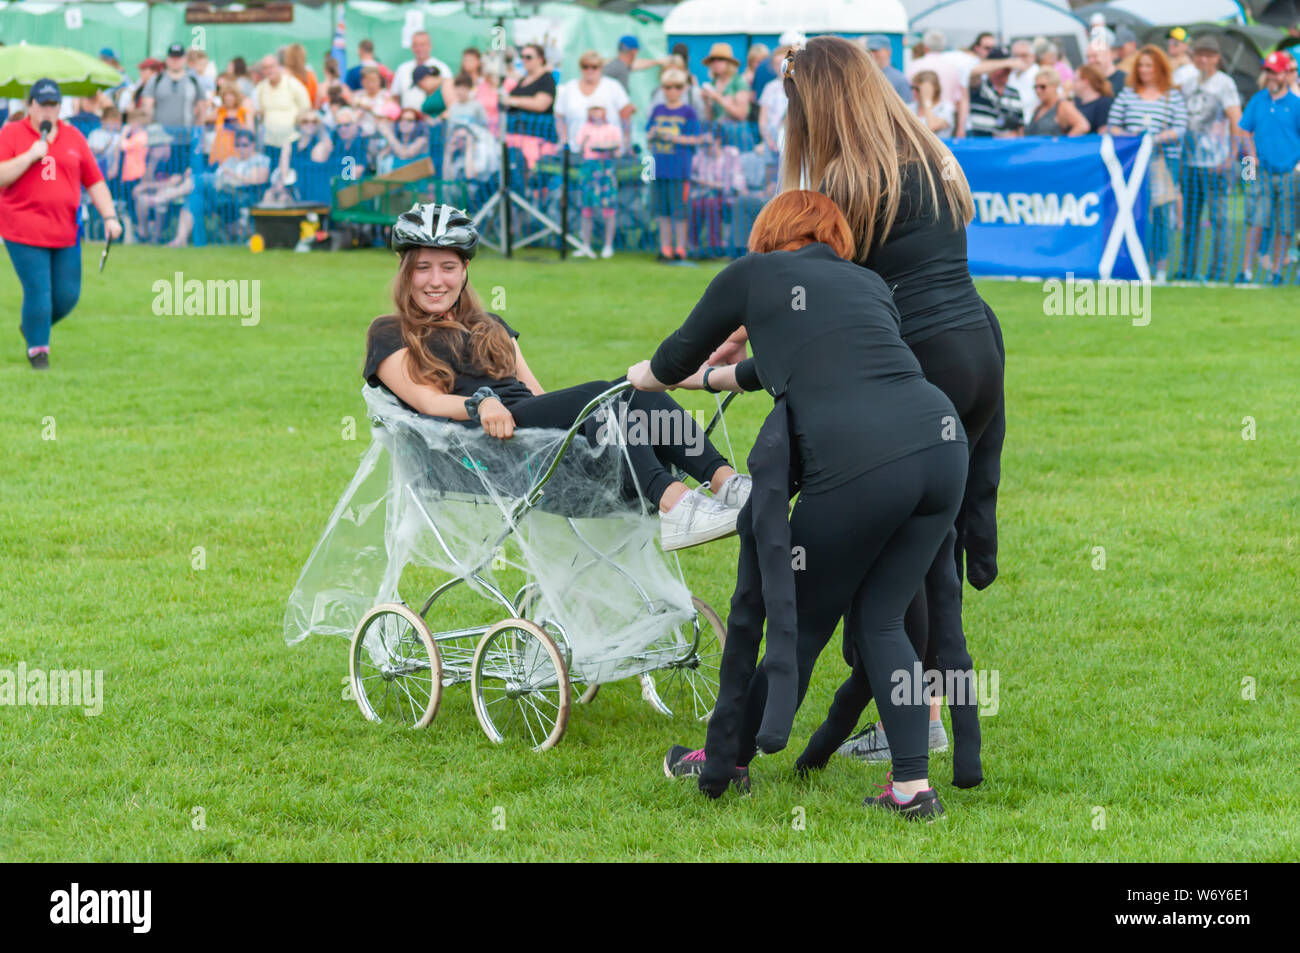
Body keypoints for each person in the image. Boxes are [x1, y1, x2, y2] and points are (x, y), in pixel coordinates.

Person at [711, 37, 1005, 784]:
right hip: (976, 352)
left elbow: (818, 305)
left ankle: (911, 726)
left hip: (915, 364)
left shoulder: (850, 179)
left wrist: (732, 363)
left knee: (884, 565)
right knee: (928, 558)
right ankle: (934, 719)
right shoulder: (934, 157)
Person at [636, 190, 967, 819]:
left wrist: (647, 378)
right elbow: (789, 364)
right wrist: (706, 379)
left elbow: (676, 352)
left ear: (770, 231)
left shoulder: (752, 274)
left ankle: (726, 757)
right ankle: (912, 789)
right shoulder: (867, 283)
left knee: (800, 628)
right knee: (883, 619)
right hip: (940, 448)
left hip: (861, 462)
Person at [365, 204, 751, 553]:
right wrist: (481, 402)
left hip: (527, 423)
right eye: (423, 268)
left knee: (636, 392)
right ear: (405, 271)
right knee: (605, 397)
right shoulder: (389, 332)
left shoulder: (491, 325)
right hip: (483, 439)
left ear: (464, 271)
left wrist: (579, 423)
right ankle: (676, 503)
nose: (436, 280)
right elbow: (427, 402)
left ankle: (727, 483)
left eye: (447, 268)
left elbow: (534, 391)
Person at [0, 79, 123, 369]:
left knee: (67, 296)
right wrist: (30, 155)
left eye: (53, 104)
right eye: (42, 104)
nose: (47, 110)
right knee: (39, 291)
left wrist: (110, 217)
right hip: (22, 228)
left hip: (65, 230)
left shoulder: (74, 137)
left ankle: (33, 325)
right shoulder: (11, 134)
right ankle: (39, 352)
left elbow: (94, 180)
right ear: (29, 105)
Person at [1108, 46, 1188, 281]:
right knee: (1135, 212)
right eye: (1141, 65)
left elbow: (1180, 128)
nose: (1144, 70)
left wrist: (1152, 140)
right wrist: (1132, 138)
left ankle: (1161, 266)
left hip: (1162, 162)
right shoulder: (1127, 94)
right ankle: (1137, 262)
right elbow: (1112, 124)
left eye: (1149, 66)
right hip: (1133, 164)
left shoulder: (1171, 96)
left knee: (1162, 212)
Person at [1173, 35, 1242, 282]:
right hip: (1191, 161)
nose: (1203, 59)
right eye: (1199, 54)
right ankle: (1188, 269)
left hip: (1216, 161)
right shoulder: (1188, 82)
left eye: (1208, 55)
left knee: (1219, 219)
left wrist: (1232, 157)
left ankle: (1218, 272)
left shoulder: (1225, 84)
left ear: (1216, 58)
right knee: (1190, 220)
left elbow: (1236, 120)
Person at [1238, 51, 1300, 285]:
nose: (1271, 76)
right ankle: (1246, 271)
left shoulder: (1295, 104)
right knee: (1256, 221)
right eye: (1268, 72)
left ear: (1286, 74)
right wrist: (1250, 161)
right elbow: (1245, 131)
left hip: (1288, 174)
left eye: (1275, 72)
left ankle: (1276, 271)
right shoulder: (1258, 100)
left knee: (1285, 225)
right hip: (1261, 172)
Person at [646, 69, 702, 261]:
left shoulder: (688, 111)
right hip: (659, 167)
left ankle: (680, 248)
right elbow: (648, 135)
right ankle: (665, 248)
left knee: (679, 211)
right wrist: (652, 134)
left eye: (677, 87)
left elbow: (696, 138)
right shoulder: (657, 110)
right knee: (662, 211)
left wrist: (676, 138)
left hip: (679, 169)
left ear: (683, 89)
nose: (672, 91)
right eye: (668, 87)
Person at [555, 51, 632, 152]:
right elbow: (559, 116)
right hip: (576, 150)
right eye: (585, 66)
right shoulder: (568, 88)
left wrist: (626, 141)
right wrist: (563, 141)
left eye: (594, 67)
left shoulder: (613, 86)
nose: (589, 70)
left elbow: (626, 113)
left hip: (610, 151)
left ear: (600, 68)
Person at [574, 105, 623, 258]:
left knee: (608, 207)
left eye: (599, 109)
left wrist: (608, 148)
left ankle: (608, 245)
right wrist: (586, 143)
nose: (596, 113)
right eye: (593, 110)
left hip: (606, 168)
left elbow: (618, 149)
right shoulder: (584, 128)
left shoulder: (612, 129)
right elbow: (579, 149)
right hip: (589, 168)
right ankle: (586, 244)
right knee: (586, 206)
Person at [503, 43, 557, 165]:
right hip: (516, 137)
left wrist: (513, 101)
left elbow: (541, 104)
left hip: (536, 137)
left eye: (528, 57)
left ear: (540, 59)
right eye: (522, 56)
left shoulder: (547, 79)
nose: (524, 60)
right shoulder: (522, 80)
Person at [254, 55, 311, 163]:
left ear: (278, 66)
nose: (269, 71)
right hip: (269, 143)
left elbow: (306, 107)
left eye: (271, 67)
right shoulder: (260, 88)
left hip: (292, 141)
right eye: (265, 68)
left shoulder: (292, 84)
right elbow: (258, 111)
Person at [142, 43, 206, 129]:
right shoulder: (156, 80)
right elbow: (147, 108)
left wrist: (198, 132)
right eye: (172, 57)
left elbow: (202, 110)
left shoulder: (194, 81)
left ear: (185, 59)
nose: (175, 61)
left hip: (186, 135)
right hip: (160, 135)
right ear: (167, 59)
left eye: (178, 58)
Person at [966, 49, 1026, 138]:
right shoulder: (980, 87)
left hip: (1006, 148)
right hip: (980, 145)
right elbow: (974, 72)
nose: (1007, 72)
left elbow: (1020, 126)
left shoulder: (1014, 93)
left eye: (1009, 69)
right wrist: (1006, 63)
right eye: (1004, 69)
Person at [392, 31, 454, 112]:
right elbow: (395, 96)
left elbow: (452, 100)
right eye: (416, 45)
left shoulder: (443, 68)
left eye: (422, 45)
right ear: (412, 47)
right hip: (409, 120)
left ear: (430, 46)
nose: (419, 49)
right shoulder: (402, 69)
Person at [1025, 69, 1090, 136]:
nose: (1038, 90)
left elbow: (1083, 126)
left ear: (1054, 86)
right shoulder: (1038, 108)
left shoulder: (1062, 106)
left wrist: (1063, 143)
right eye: (1036, 87)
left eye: (1042, 87)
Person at [602, 35, 668, 94]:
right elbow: (621, 96)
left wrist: (658, 62)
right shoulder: (621, 69)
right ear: (634, 51)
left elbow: (638, 64)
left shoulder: (617, 65)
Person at [866, 34, 911, 104]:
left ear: (888, 52)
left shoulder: (899, 79)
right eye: (869, 51)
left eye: (875, 50)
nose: (871, 54)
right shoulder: (864, 76)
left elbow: (908, 106)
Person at [1073, 65, 1114, 133]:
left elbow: (1102, 130)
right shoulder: (1076, 101)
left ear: (1085, 82)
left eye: (1076, 80)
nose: (1073, 83)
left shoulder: (1104, 103)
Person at [910, 71, 954, 135]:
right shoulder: (910, 107)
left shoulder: (945, 107)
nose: (914, 92)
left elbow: (932, 126)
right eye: (912, 88)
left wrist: (926, 100)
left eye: (918, 89)